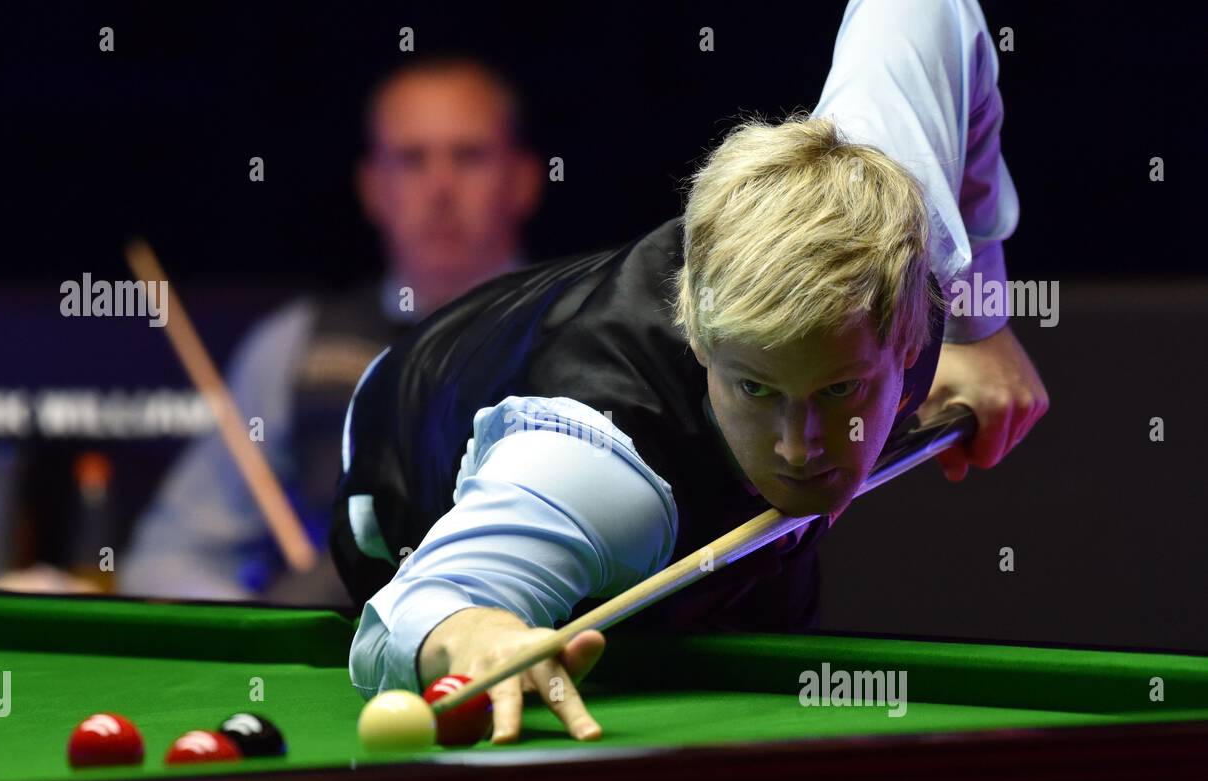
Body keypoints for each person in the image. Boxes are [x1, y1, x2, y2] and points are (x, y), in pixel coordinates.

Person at [332, 0, 1049, 743]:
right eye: (757, 388)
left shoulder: (895, 209)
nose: (799, 446)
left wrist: (978, 322)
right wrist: (475, 630)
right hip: (403, 461)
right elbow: (412, 612)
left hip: (690, 473)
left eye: (838, 390)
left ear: (906, 337)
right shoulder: (595, 470)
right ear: (701, 340)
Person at [121, 57, 542, 604]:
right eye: (412, 159)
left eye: (469, 156)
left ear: (525, 180)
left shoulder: (582, 333)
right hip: (335, 679)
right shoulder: (294, 347)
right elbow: (168, 560)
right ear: (372, 187)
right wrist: (275, 633)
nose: (440, 187)